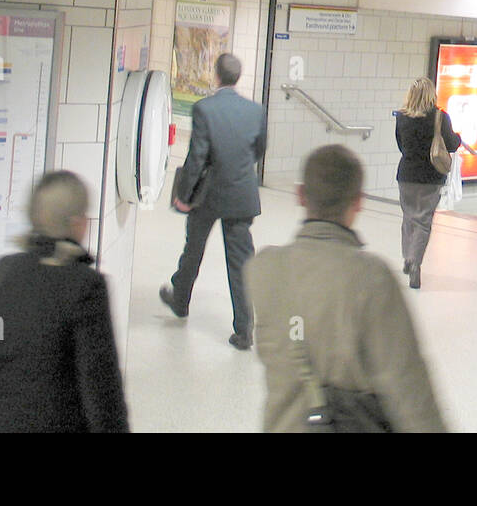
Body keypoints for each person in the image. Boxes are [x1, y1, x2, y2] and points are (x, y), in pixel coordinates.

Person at [245, 144, 447, 432]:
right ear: (358, 202)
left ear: (300, 195)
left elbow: (294, 329)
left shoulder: (264, 268)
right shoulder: (373, 279)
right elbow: (409, 389)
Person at [0, 171, 129, 432]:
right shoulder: (85, 285)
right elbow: (99, 380)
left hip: (4, 425)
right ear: (77, 223)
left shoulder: (5, 271)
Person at [161, 53, 267, 350]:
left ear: (215, 76)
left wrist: (184, 196)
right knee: (241, 262)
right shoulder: (256, 111)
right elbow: (259, 150)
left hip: (207, 195)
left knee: (193, 249)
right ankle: (244, 331)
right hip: (241, 194)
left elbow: (196, 158)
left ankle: (180, 301)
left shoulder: (204, 109)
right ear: (238, 77)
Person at [394, 76, 463, 289]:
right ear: (431, 94)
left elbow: (400, 144)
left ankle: (407, 257)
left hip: (406, 174)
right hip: (431, 176)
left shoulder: (401, 117)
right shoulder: (440, 117)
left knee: (409, 217)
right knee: (423, 221)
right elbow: (451, 144)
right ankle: (415, 261)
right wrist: (458, 137)